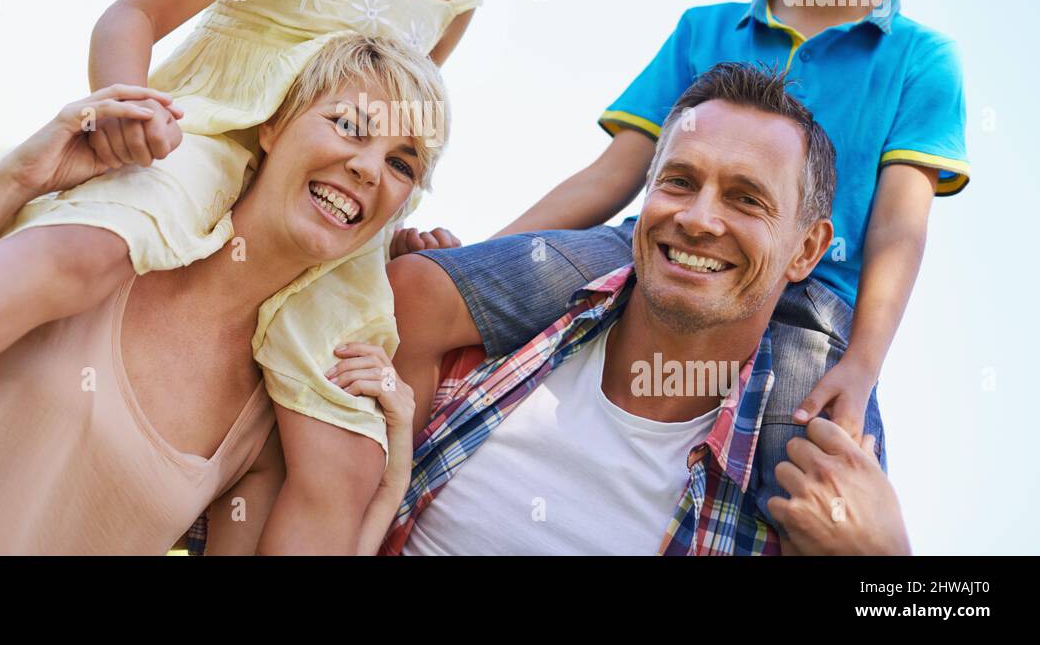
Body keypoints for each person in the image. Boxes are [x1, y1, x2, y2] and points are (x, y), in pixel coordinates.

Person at [389, 0, 968, 525]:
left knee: (815, 492)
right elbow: (610, 177)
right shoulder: (707, 29)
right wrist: (475, 264)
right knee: (424, 291)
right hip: (651, 248)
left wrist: (861, 364)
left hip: (814, 306)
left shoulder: (919, 60)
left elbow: (899, 228)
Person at [0, 35, 433, 556]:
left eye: (402, 163)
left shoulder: (266, 428)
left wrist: (392, 473)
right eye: (348, 124)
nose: (369, 166)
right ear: (273, 124)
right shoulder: (106, 248)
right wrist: (8, 182)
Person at [374, 62, 910, 555]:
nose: (699, 220)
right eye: (679, 182)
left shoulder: (803, 507)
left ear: (807, 250)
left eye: (746, 199)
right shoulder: (463, 361)